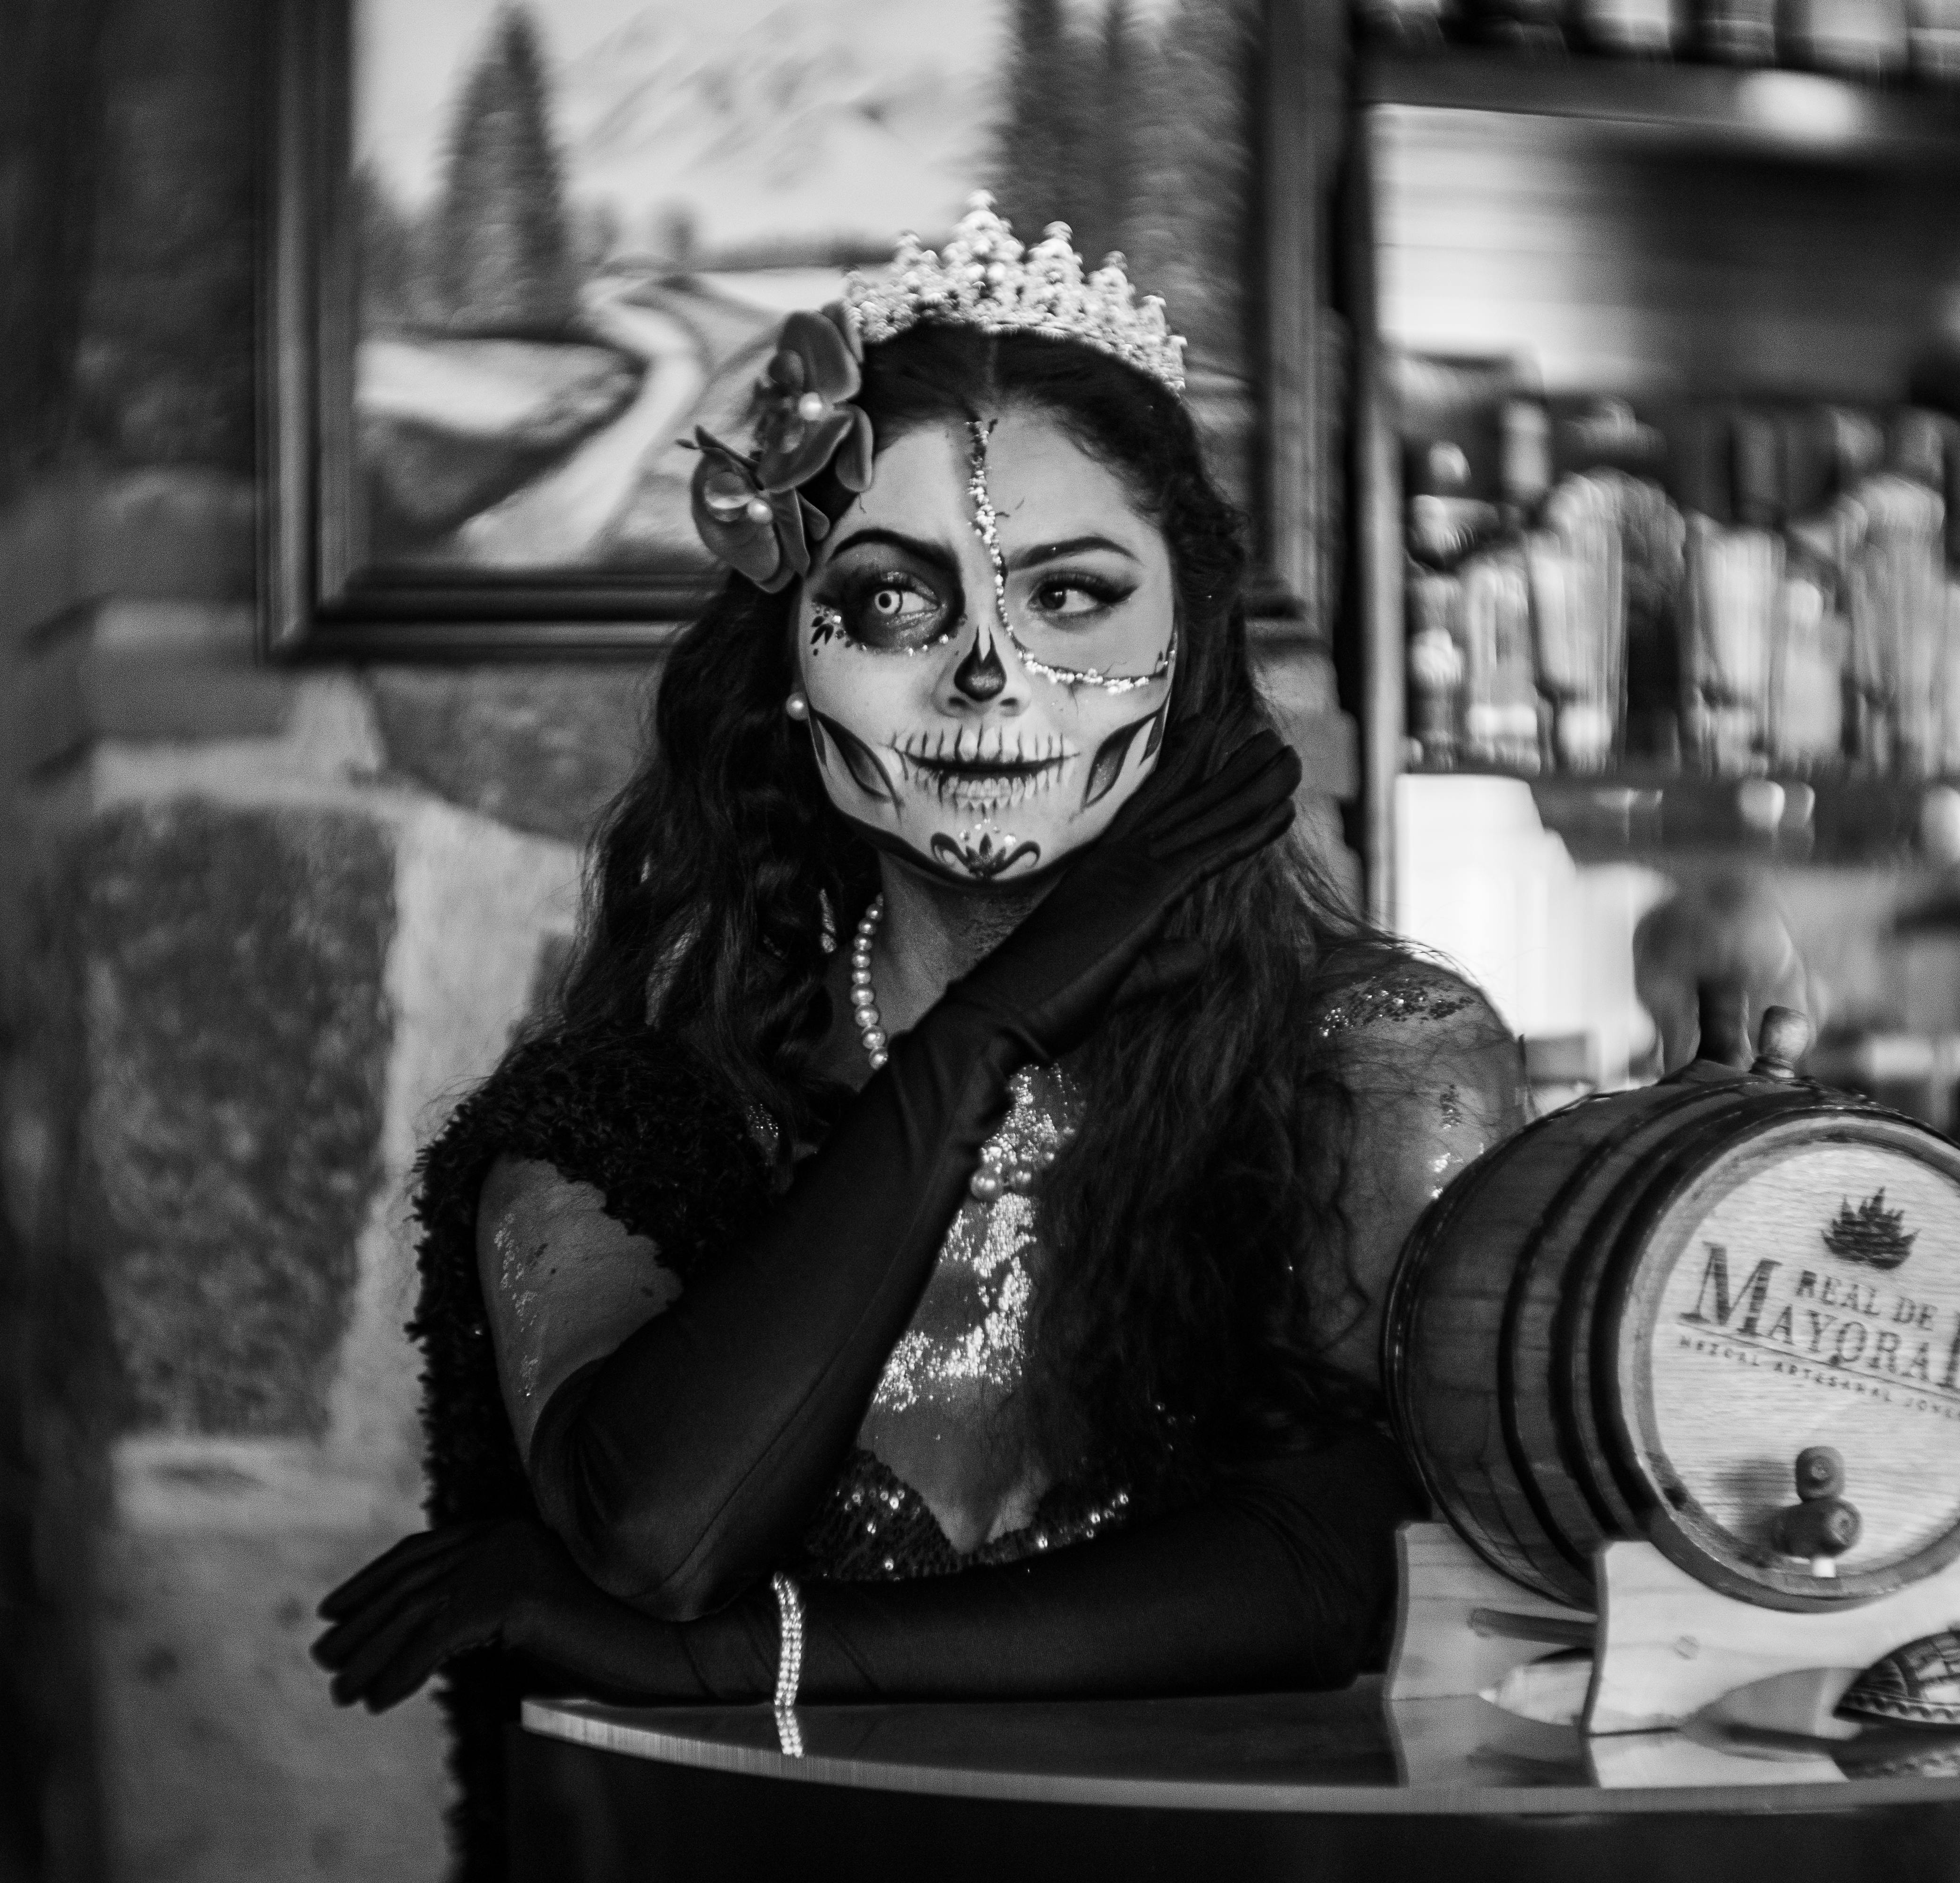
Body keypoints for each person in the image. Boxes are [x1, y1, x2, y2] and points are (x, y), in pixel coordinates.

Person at [311, 199, 1524, 1870]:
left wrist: (752, 1663)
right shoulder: (621, 1121)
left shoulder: (1375, 1061)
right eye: (891, 603)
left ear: (1191, 651)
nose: (985, 674)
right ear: (789, 670)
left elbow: (1341, 1560)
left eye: (1076, 596)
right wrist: (1005, 1022)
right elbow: (660, 1536)